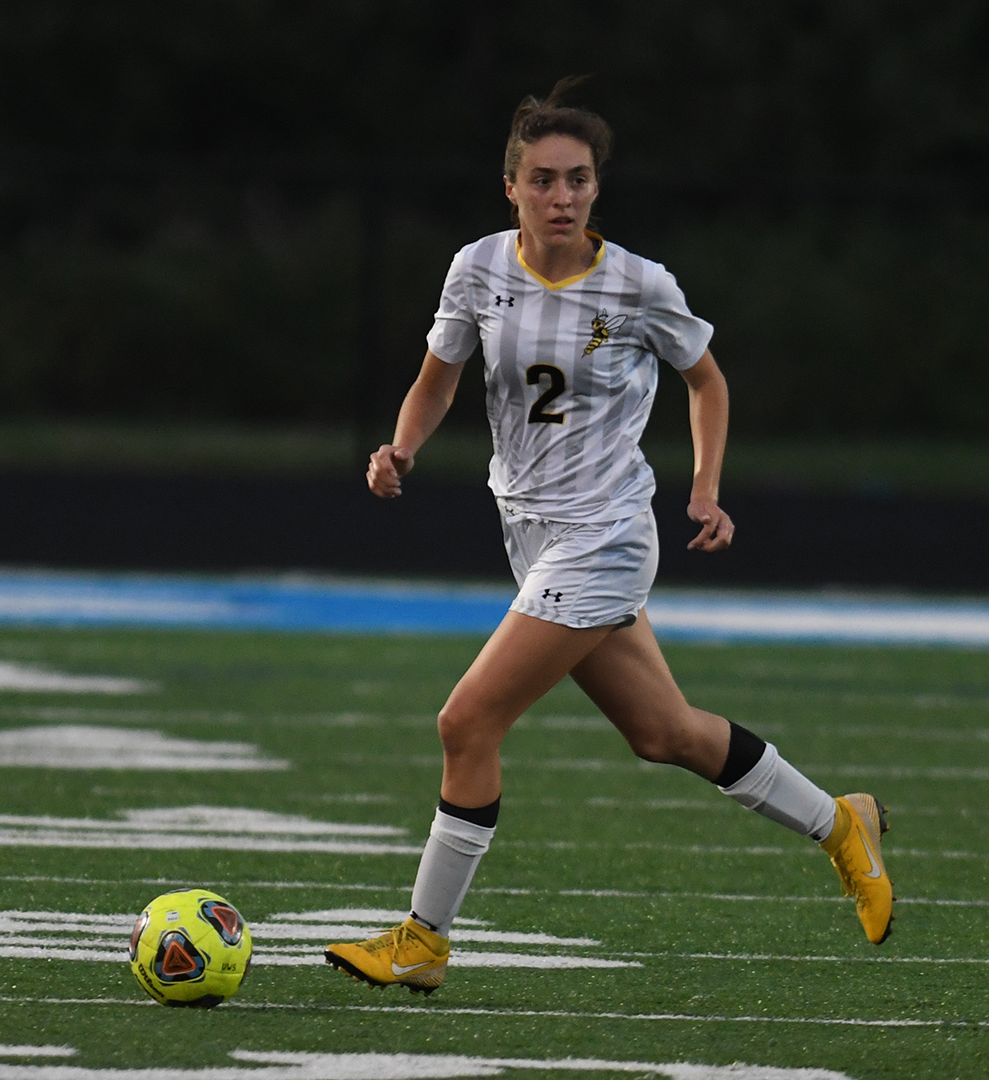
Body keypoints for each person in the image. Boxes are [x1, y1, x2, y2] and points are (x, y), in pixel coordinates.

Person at [323, 78, 891, 996]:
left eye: (578, 180)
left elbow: (707, 382)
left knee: (466, 721)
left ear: (597, 188)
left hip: (608, 534)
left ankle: (422, 940)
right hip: (529, 532)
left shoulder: (637, 283)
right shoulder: (475, 269)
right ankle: (840, 823)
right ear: (510, 187)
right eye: (543, 180)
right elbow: (438, 379)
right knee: (664, 734)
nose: (561, 197)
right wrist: (400, 448)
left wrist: (705, 487)